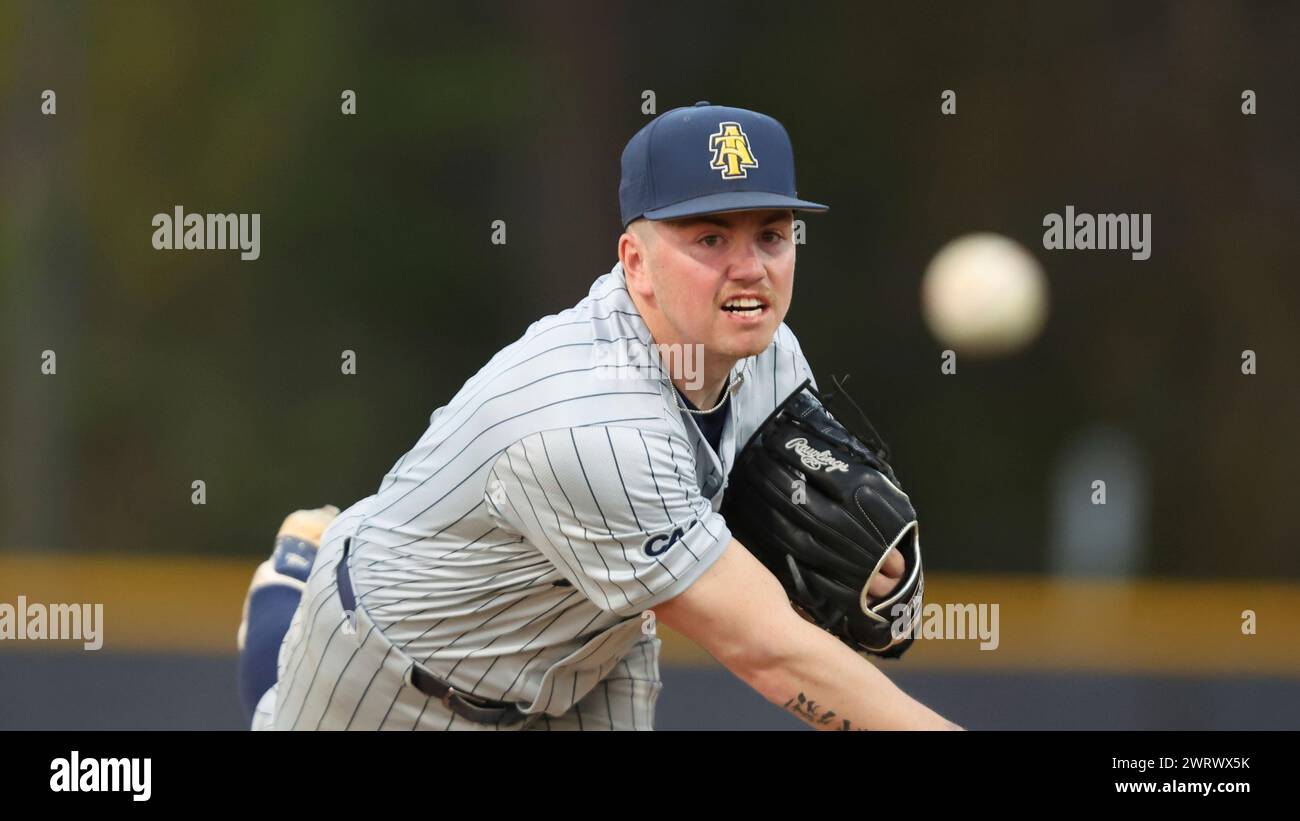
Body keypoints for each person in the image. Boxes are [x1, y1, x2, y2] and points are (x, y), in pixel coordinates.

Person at [237, 102, 958, 731]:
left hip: (588, 652)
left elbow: (792, 526)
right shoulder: (594, 424)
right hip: (400, 681)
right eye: (710, 238)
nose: (750, 267)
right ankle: (290, 581)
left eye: (771, 234)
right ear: (635, 263)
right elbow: (764, 649)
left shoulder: (759, 344)